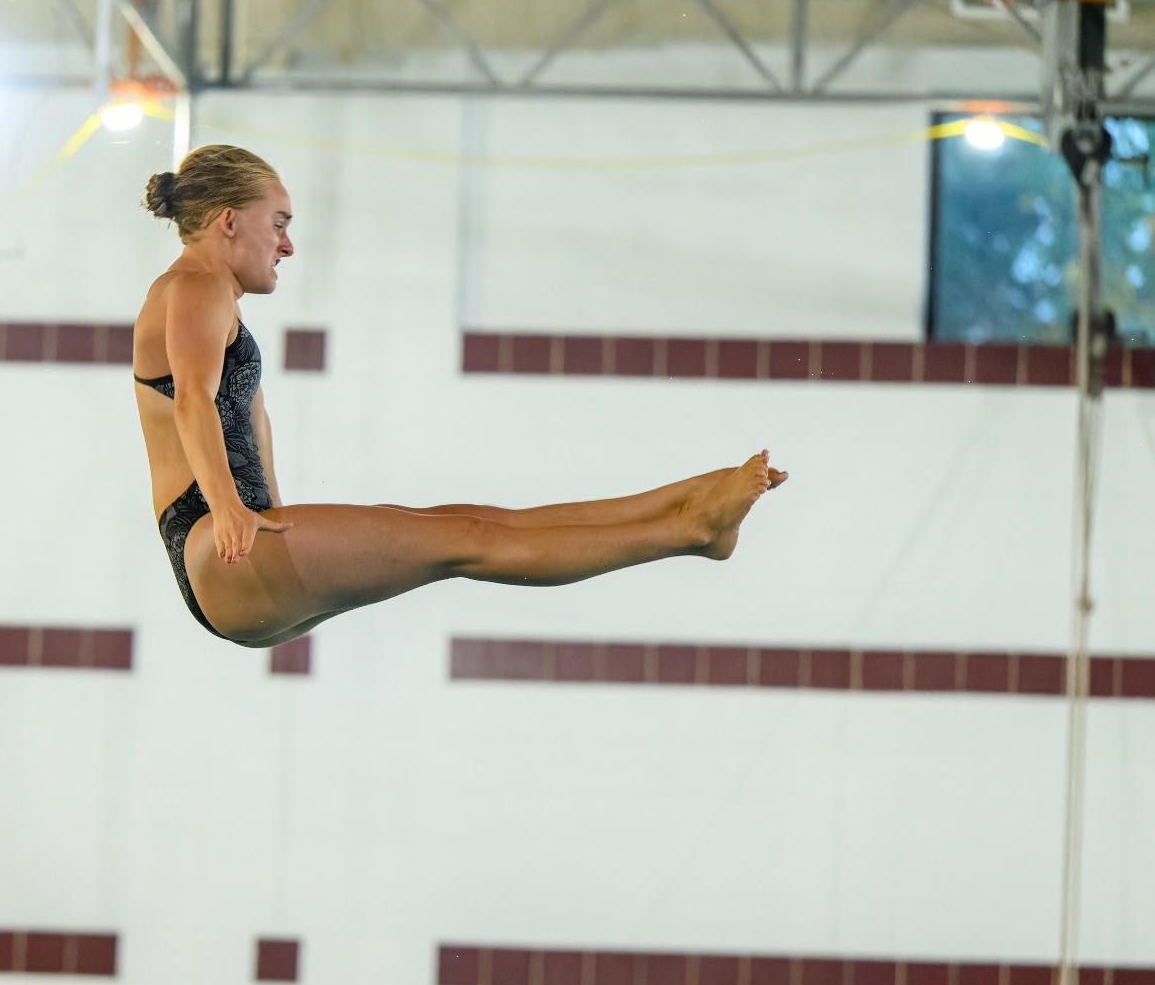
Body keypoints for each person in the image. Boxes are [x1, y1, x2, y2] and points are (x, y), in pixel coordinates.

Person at [131, 144, 785, 648]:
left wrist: (269, 516)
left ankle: (689, 503)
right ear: (228, 222)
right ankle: (690, 529)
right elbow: (193, 399)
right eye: (278, 223)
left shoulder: (211, 297)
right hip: (218, 546)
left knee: (477, 520)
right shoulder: (193, 286)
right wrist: (232, 509)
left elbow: (250, 423)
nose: (287, 244)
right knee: (467, 539)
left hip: (237, 558)